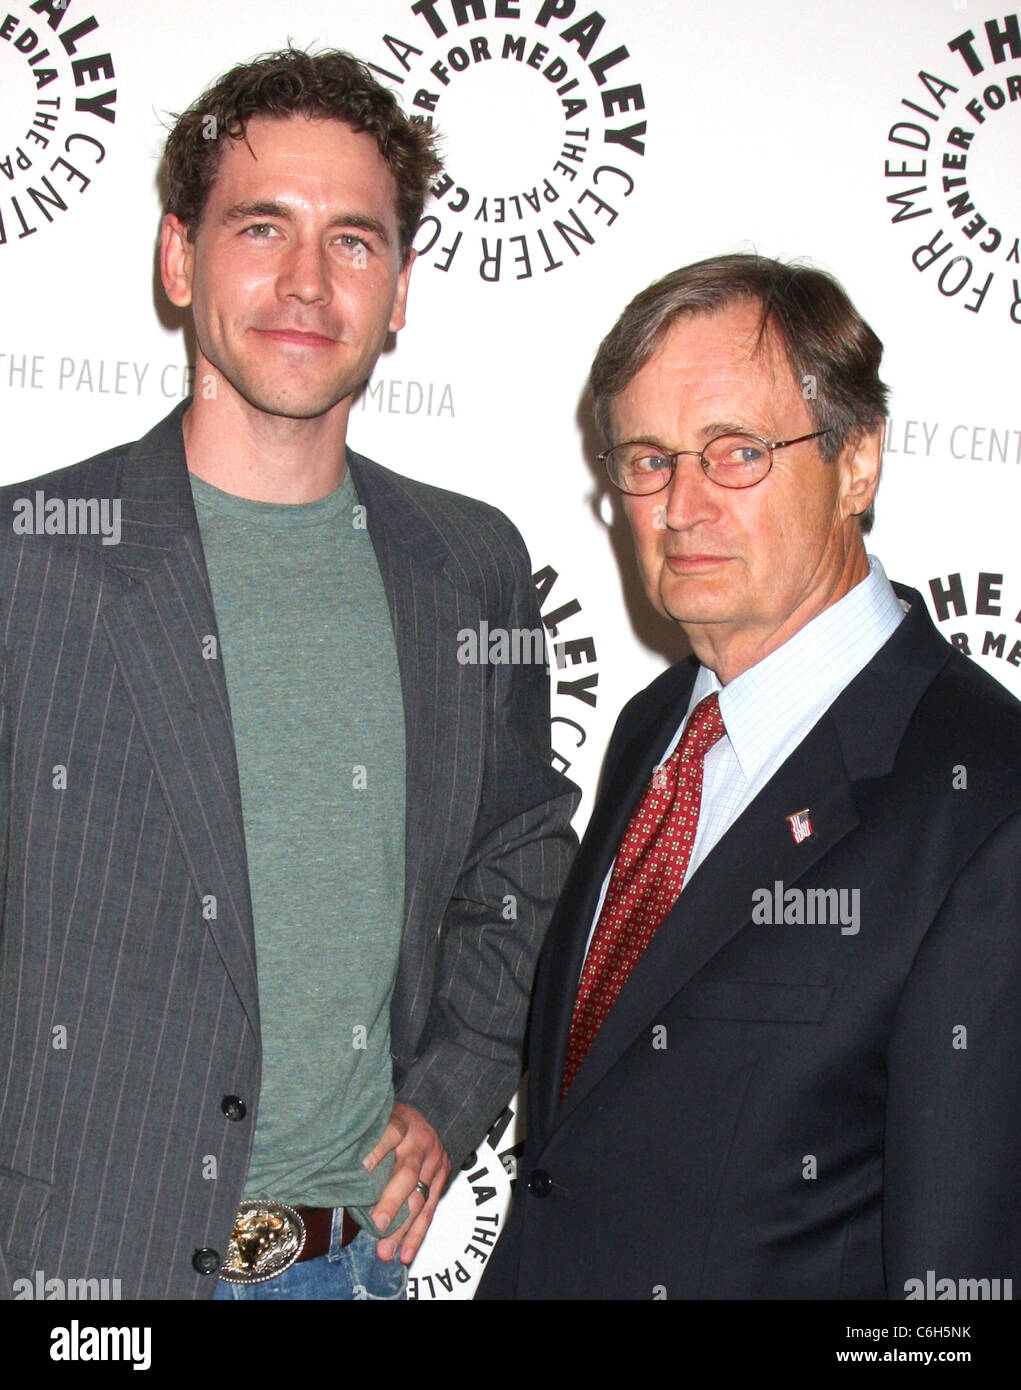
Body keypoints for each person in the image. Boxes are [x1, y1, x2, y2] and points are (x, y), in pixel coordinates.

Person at [0, 47, 577, 1302]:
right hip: (74, 1275)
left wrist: (451, 1092)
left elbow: (523, 858)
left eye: (355, 242)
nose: (307, 282)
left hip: (346, 1270)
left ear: (402, 289)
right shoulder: (27, 561)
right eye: (262, 227)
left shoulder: (473, 565)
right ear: (178, 257)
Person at [477, 253, 1021, 1300]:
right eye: (645, 459)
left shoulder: (987, 801)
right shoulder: (655, 729)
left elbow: (960, 1280)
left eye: (734, 453)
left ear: (855, 462)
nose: (680, 505)